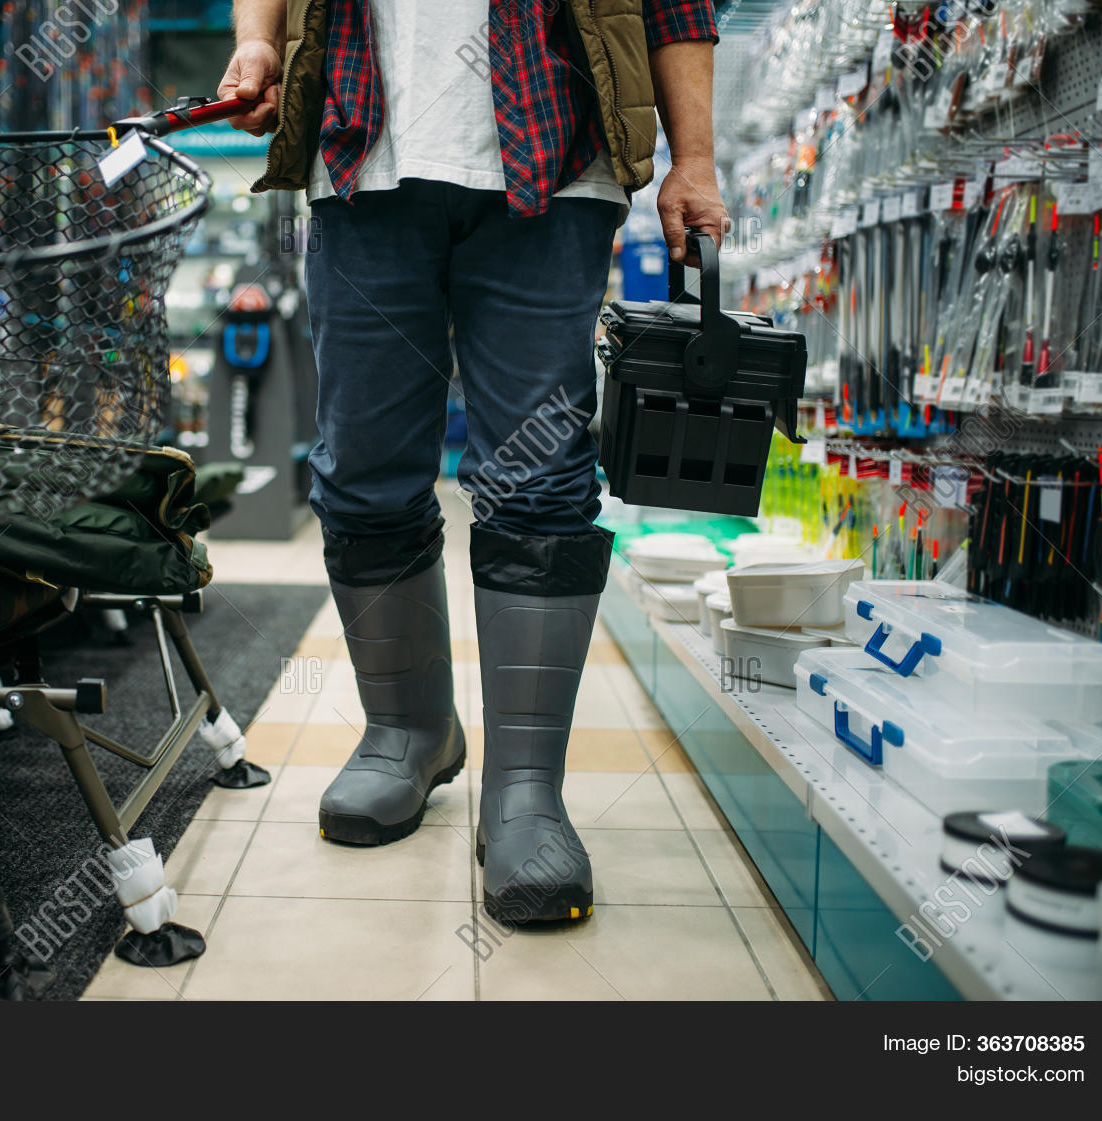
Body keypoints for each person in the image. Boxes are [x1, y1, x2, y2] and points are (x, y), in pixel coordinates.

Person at [218, 0, 728, 923]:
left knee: (537, 479)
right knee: (361, 469)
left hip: (554, 158)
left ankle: (527, 786)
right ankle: (408, 730)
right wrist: (256, 40)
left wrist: (693, 158)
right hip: (359, 151)